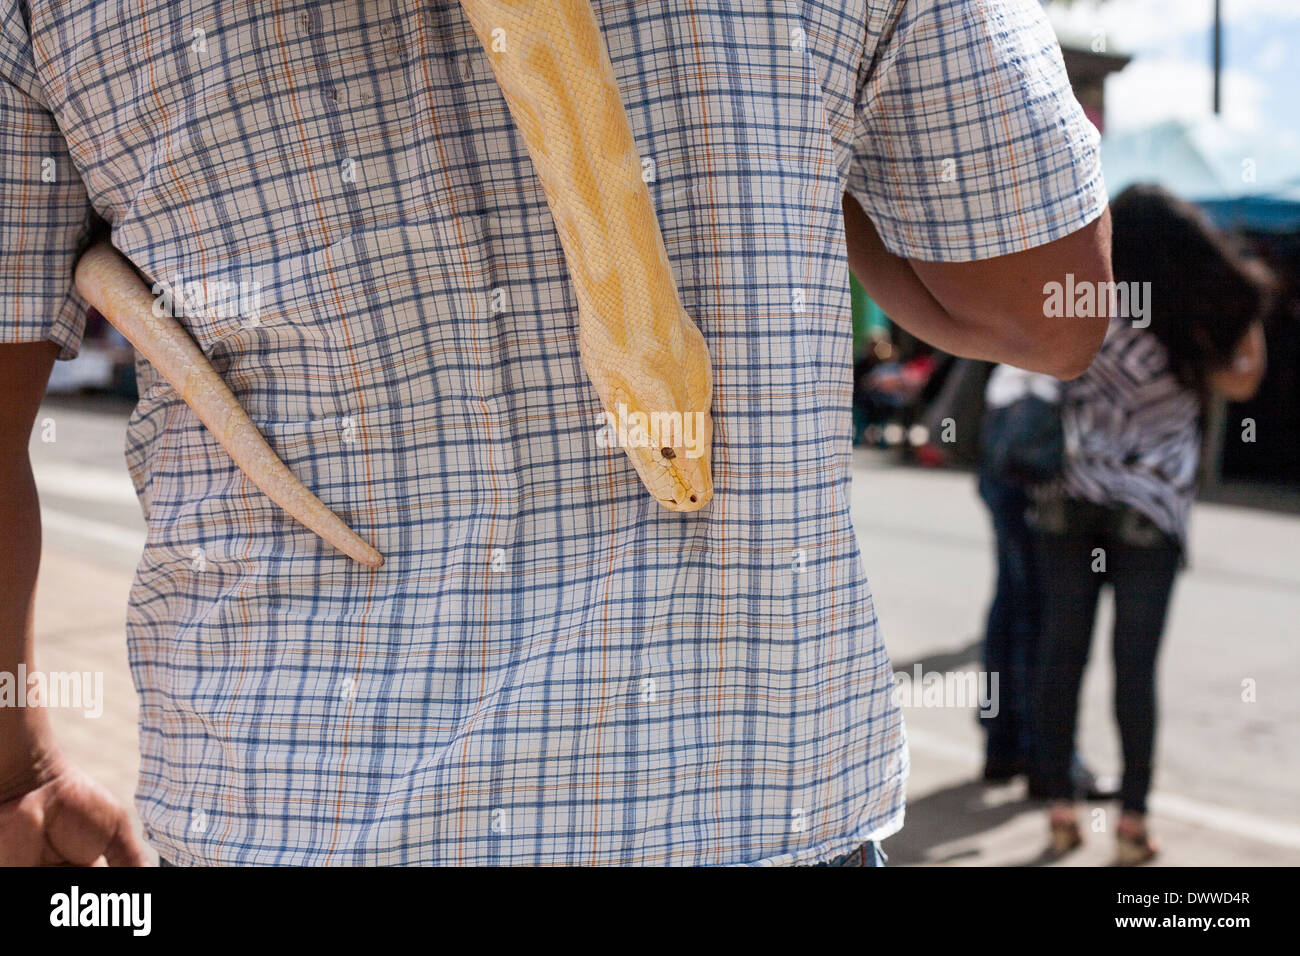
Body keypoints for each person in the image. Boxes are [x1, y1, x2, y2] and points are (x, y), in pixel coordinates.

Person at [1, 0, 1109, 866]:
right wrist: (800, 138)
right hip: (760, 824)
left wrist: (18, 770)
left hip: (273, 821)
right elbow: (1052, 309)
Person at [1032, 184, 1270, 864]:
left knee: (1062, 657)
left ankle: (1059, 812)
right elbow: (1242, 384)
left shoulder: (1087, 301)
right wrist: (1233, 303)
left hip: (1069, 497)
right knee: (1135, 670)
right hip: (1151, 508)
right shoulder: (1192, 313)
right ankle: (1132, 825)